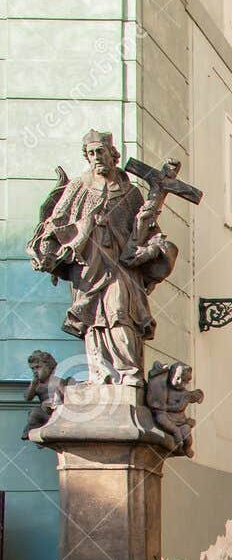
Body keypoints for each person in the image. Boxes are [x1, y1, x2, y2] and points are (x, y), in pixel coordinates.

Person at [28, 131, 176, 385]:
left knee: (120, 310)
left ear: (112, 154)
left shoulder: (130, 192)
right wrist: (51, 247)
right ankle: (101, 372)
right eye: (91, 153)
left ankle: (127, 370)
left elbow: (148, 229)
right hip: (88, 262)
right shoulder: (79, 185)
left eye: (100, 151)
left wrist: (151, 249)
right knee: (93, 318)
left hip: (121, 262)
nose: (96, 157)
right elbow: (58, 220)